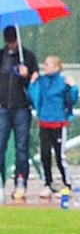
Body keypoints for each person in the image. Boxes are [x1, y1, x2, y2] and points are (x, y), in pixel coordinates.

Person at [28, 54, 79, 197]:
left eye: (47, 64)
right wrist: (32, 83)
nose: (44, 67)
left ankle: (67, 184)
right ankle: (47, 184)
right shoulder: (42, 82)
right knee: (44, 154)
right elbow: (34, 97)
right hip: (44, 122)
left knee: (59, 155)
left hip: (58, 123)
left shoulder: (63, 82)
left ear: (56, 67)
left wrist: (73, 87)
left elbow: (72, 99)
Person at [0, 25, 40, 200]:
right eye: (8, 42)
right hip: (3, 108)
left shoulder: (28, 57)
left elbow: (34, 81)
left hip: (22, 108)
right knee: (0, 145)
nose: (11, 45)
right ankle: (1, 182)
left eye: (13, 41)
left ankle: (20, 180)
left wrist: (27, 74)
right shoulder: (0, 56)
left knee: (21, 147)